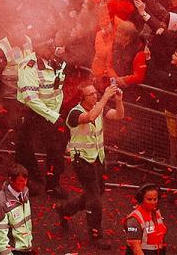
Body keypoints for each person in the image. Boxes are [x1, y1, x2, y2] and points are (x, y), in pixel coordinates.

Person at [59, 82, 125, 248]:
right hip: (82, 160)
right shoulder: (74, 113)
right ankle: (95, 235)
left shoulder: (98, 106)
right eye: (91, 94)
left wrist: (118, 101)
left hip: (98, 158)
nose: (95, 96)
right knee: (95, 199)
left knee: (95, 192)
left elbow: (118, 115)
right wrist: (104, 98)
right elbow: (89, 118)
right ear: (82, 97)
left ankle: (65, 209)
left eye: (96, 93)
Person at [14, 39, 67, 195]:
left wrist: (55, 113)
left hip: (49, 113)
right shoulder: (28, 65)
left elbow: (57, 90)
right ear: (38, 47)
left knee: (56, 149)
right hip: (29, 112)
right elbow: (31, 99)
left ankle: (52, 184)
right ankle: (24, 183)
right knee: (24, 148)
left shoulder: (56, 61)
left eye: (52, 45)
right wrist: (53, 116)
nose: (51, 48)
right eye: (47, 45)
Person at [0, 164, 33, 255]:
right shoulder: (0, 203)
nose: (24, 184)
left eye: (25, 180)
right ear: (11, 180)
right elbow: (0, 239)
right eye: (20, 181)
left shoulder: (24, 192)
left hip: (25, 248)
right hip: (13, 251)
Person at [124, 185, 167, 255]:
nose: (153, 202)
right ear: (141, 200)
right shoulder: (134, 219)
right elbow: (136, 249)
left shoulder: (156, 212)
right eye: (149, 199)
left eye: (155, 199)